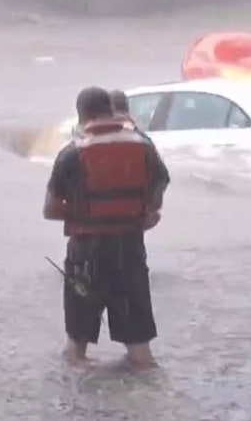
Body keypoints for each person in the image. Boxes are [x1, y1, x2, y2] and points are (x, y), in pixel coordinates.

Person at [44, 86, 170, 368]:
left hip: (86, 252)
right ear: (110, 111)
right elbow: (159, 186)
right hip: (130, 248)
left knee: (76, 349)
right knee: (140, 352)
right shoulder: (143, 145)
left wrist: (86, 215)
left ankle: (83, 402)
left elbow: (50, 210)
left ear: (81, 115)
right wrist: (144, 213)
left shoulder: (72, 152)